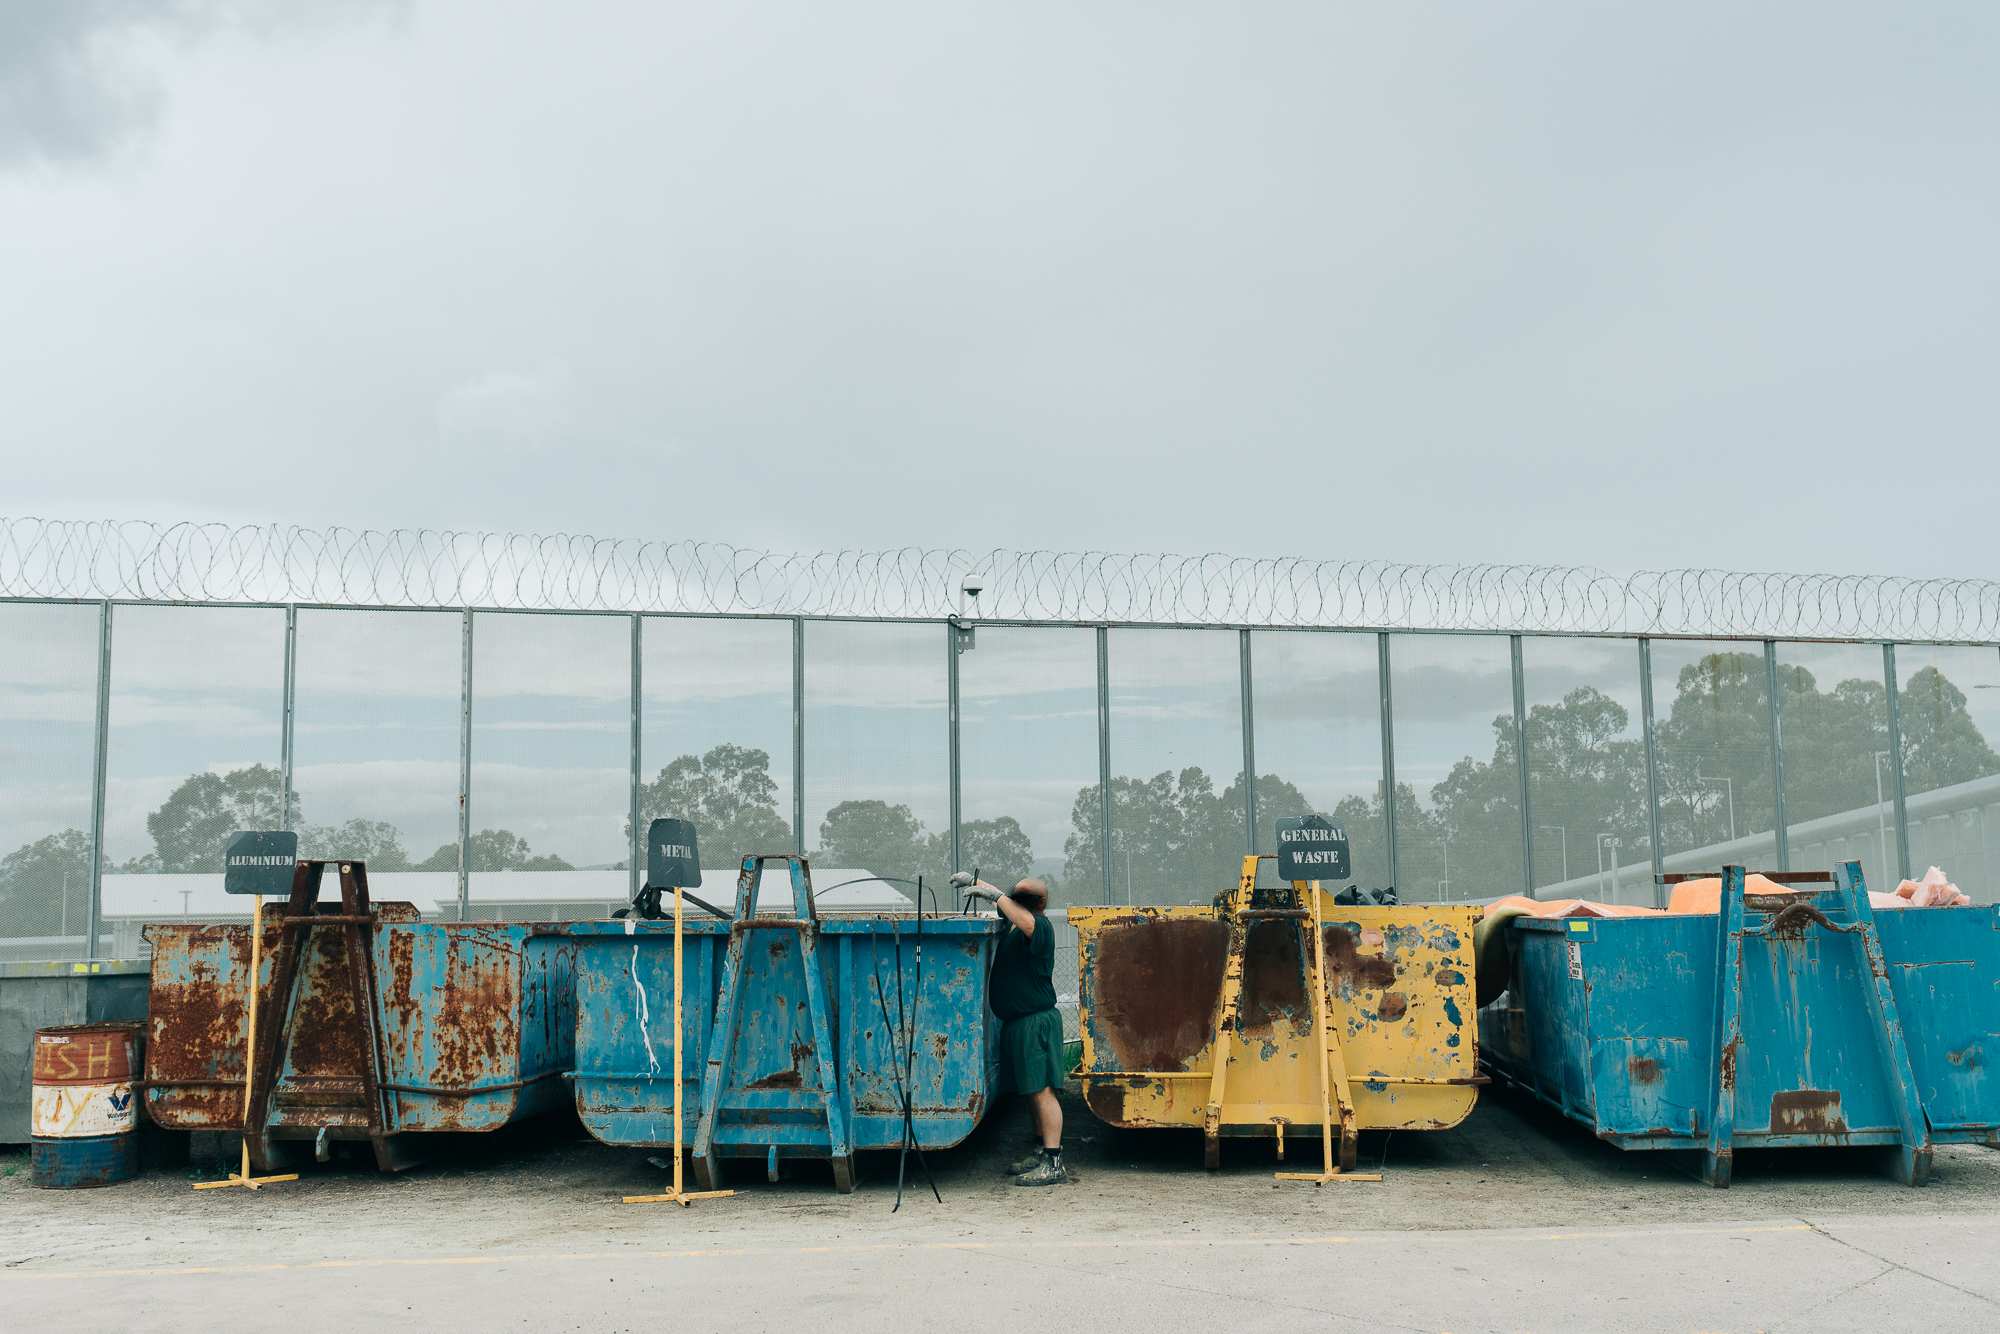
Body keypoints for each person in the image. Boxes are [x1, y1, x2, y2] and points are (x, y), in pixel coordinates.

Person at [952, 872, 1068, 1186]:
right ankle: (1040, 1148)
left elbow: (1023, 917)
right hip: (1018, 1023)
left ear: (1041, 903)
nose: (1017, 901)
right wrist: (984, 887)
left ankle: (1054, 1161)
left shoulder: (1039, 927)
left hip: (1035, 1021)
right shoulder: (1016, 923)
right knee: (1031, 1090)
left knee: (1043, 1090)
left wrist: (996, 897)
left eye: (1024, 898)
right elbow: (1010, 908)